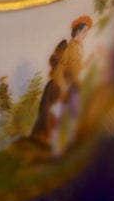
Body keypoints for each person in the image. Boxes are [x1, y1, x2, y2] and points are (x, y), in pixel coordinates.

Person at [31, 15, 93, 154]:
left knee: (73, 112)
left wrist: (91, 58)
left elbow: (77, 67)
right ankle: (55, 145)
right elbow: (67, 67)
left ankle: (69, 142)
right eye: (84, 31)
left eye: (87, 32)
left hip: (71, 84)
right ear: (77, 31)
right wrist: (65, 84)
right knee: (60, 113)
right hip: (64, 84)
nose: (86, 34)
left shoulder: (79, 47)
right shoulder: (71, 47)